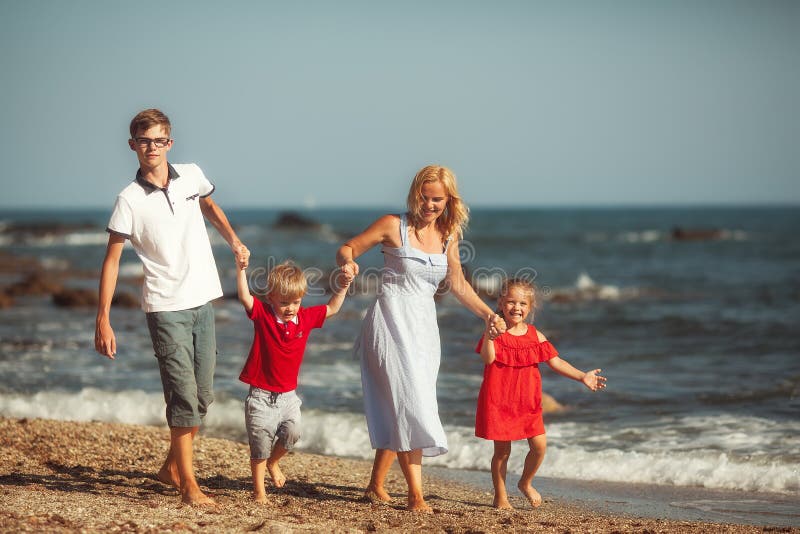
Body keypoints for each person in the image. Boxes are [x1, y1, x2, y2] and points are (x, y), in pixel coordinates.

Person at [94, 108, 250, 505]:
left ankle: (169, 467)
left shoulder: (192, 175)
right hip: (164, 306)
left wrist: (234, 241)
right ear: (133, 145)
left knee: (202, 397)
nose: (152, 147)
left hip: (203, 300)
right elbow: (112, 260)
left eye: (159, 140)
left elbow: (210, 207)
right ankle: (188, 486)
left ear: (170, 143)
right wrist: (103, 318)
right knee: (182, 396)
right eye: (144, 141)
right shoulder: (128, 200)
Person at [336, 165, 505, 512]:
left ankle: (375, 485)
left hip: (425, 329)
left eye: (437, 199)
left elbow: (457, 282)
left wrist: (488, 314)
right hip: (390, 322)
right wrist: (348, 263)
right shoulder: (391, 225)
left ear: (449, 200)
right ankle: (416, 496)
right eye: (424, 198)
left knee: (407, 401)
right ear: (415, 194)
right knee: (409, 402)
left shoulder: (448, 234)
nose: (430, 205)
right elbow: (348, 247)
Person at [475, 277, 607, 509]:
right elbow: (488, 358)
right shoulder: (494, 333)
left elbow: (556, 362)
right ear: (501, 303)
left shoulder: (535, 336)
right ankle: (500, 496)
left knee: (539, 447)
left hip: (528, 403)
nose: (516, 307)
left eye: (523, 303)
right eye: (511, 302)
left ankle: (525, 482)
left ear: (530, 307)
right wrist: (489, 335)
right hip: (499, 401)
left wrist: (582, 376)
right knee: (502, 452)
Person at [236, 260, 352, 503]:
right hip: (260, 396)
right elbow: (245, 297)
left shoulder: (306, 318)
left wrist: (342, 287)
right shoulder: (263, 315)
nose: (290, 308)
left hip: (289, 397)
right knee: (260, 445)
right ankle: (259, 492)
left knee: (293, 433)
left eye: (296, 302)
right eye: (284, 302)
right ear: (270, 298)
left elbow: (332, 308)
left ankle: (274, 462)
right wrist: (241, 268)